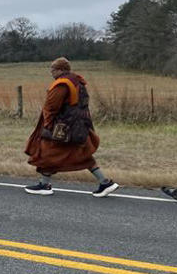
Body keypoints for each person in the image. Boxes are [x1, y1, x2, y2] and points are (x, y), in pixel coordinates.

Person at [24, 58, 118, 198]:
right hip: (79, 125)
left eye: (53, 69)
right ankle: (105, 182)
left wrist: (48, 124)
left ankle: (44, 185)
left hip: (62, 127)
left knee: (47, 152)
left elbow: (51, 106)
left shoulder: (62, 84)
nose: (51, 72)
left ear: (61, 70)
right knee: (82, 154)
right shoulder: (78, 82)